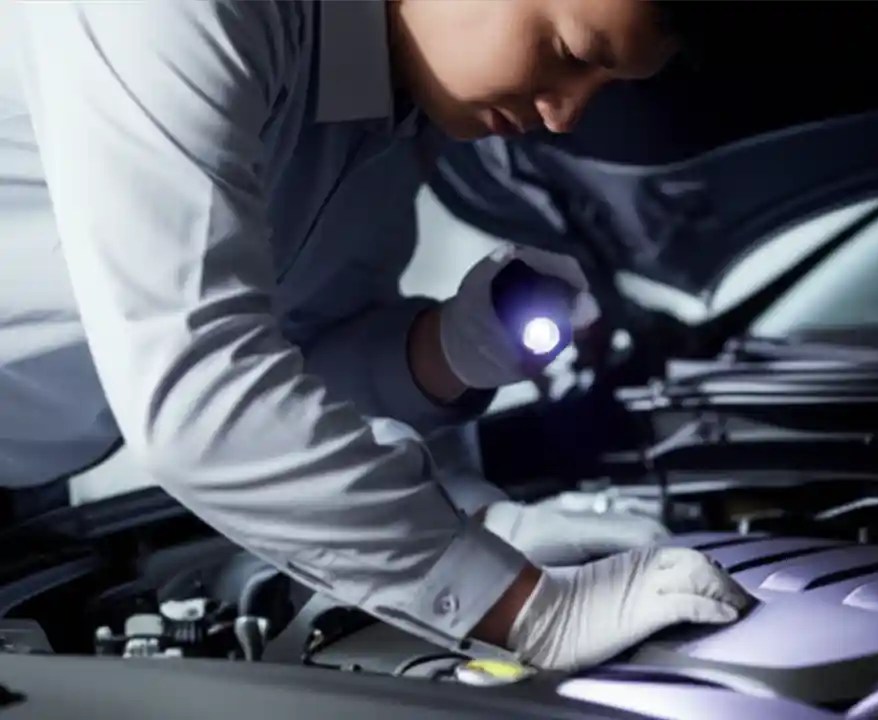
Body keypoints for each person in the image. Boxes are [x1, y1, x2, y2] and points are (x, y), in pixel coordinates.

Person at [0, 0, 750, 671]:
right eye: (570, 52)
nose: (566, 114)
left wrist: (450, 368)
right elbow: (202, 394)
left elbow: (300, 361)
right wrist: (528, 610)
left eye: (604, 84)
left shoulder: (394, 96)